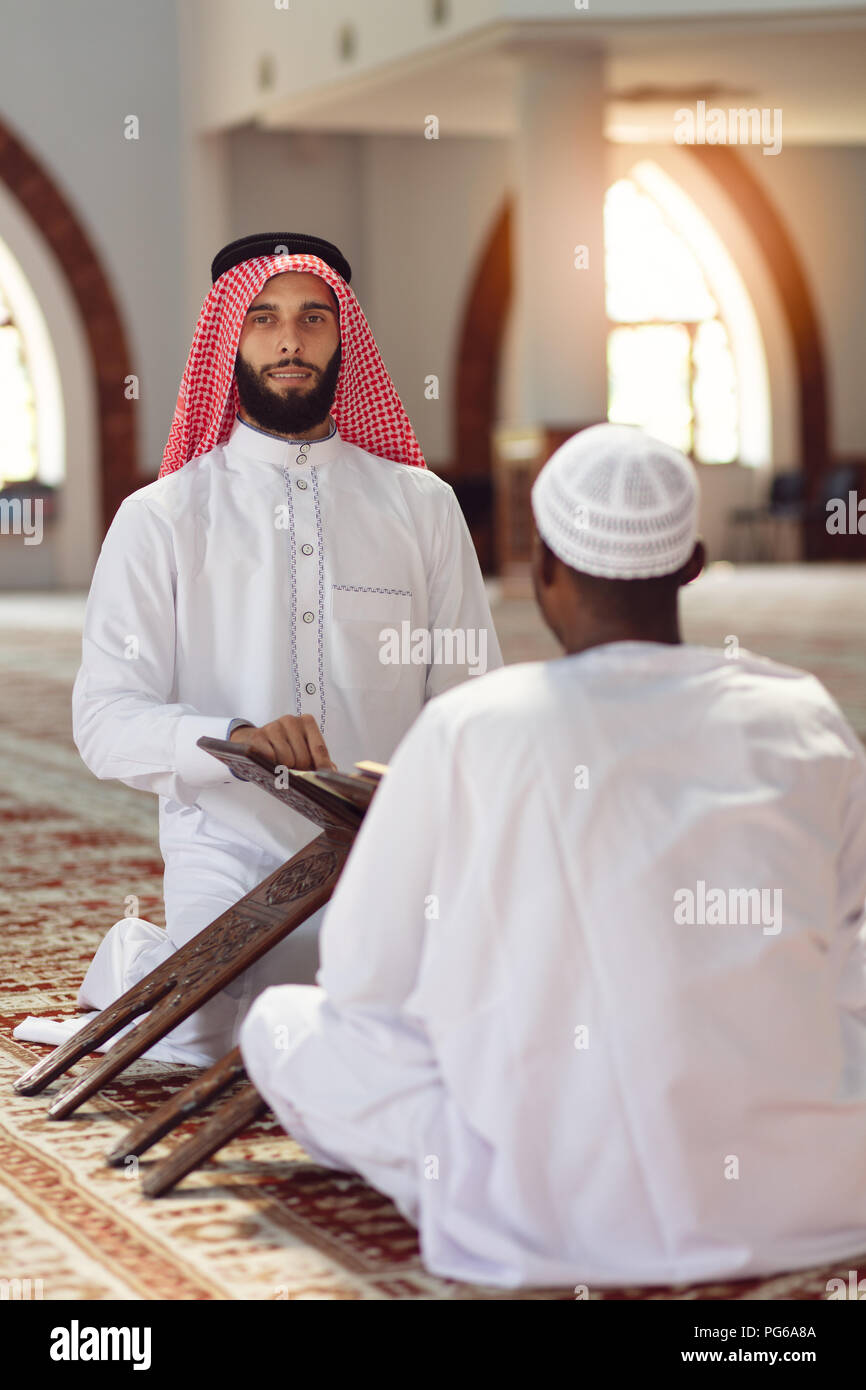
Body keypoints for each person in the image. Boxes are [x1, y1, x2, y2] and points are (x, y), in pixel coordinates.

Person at [239, 423, 866, 1290]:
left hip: (547, 1216)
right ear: (693, 564)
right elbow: (852, 970)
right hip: (814, 1196)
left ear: (543, 570)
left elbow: (363, 982)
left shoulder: (470, 727)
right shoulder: (801, 714)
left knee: (282, 1025)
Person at [15, 233, 501, 1066]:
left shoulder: (421, 507)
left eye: (314, 319)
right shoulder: (161, 519)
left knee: (458, 1017)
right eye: (265, 318)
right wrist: (231, 740)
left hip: (381, 847)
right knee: (206, 1037)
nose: (290, 341)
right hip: (229, 849)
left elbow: (467, 699)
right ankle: (139, 956)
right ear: (228, 338)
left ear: (343, 338)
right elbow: (104, 720)